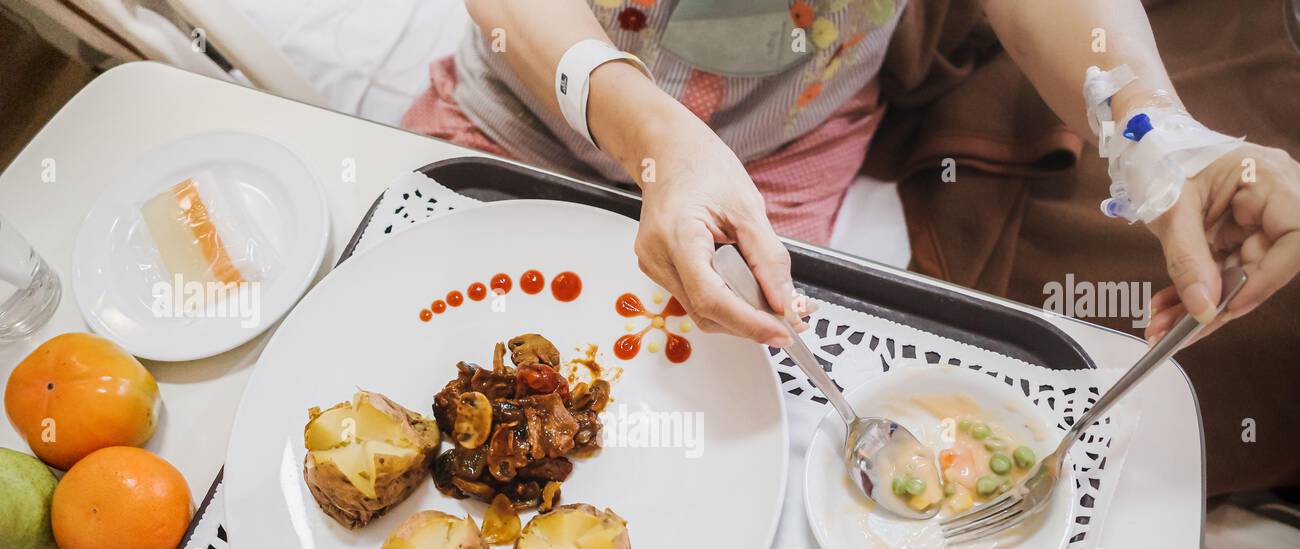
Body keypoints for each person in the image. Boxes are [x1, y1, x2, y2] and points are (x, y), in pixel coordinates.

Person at [404, 0, 1300, 352]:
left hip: (779, 160)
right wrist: (651, 134)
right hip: (526, 111)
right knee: (415, 345)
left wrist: (1153, 132)